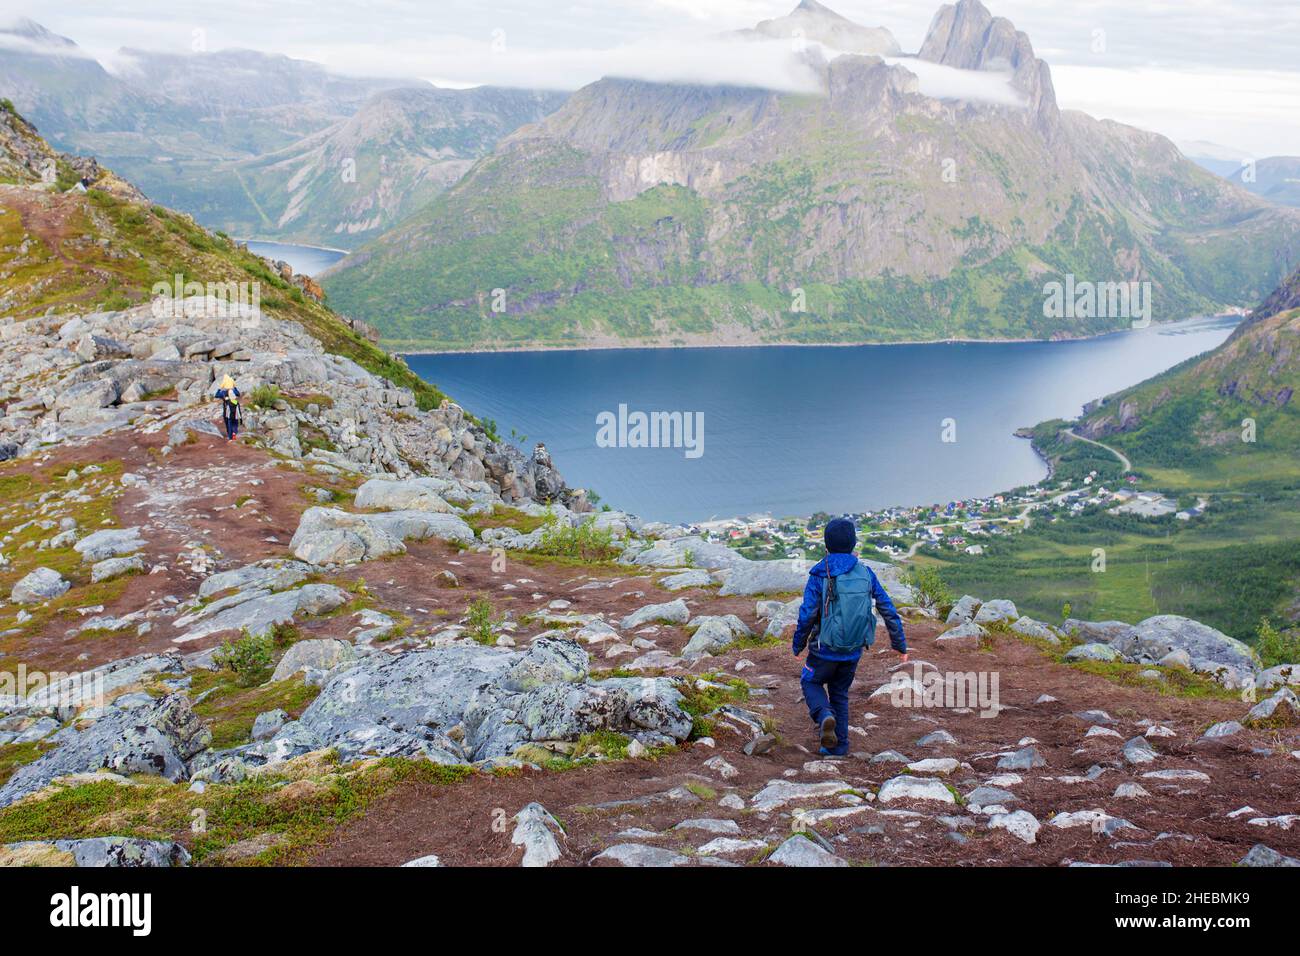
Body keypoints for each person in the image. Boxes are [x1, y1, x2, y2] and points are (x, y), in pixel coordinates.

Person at [792, 517, 908, 756]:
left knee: (810, 681)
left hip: (823, 649)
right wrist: (900, 644)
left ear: (826, 545)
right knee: (840, 693)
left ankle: (824, 715)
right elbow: (887, 608)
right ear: (854, 544)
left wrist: (798, 645)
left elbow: (807, 614)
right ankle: (839, 746)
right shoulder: (865, 572)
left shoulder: (820, 573)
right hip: (854, 648)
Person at [214, 374, 241, 441]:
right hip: (235, 407)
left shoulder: (223, 392)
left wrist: (220, 388)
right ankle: (234, 433)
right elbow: (238, 394)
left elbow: (216, 395)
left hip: (227, 408)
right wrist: (234, 386)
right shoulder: (234, 391)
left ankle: (230, 436)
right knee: (235, 420)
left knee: (229, 421)